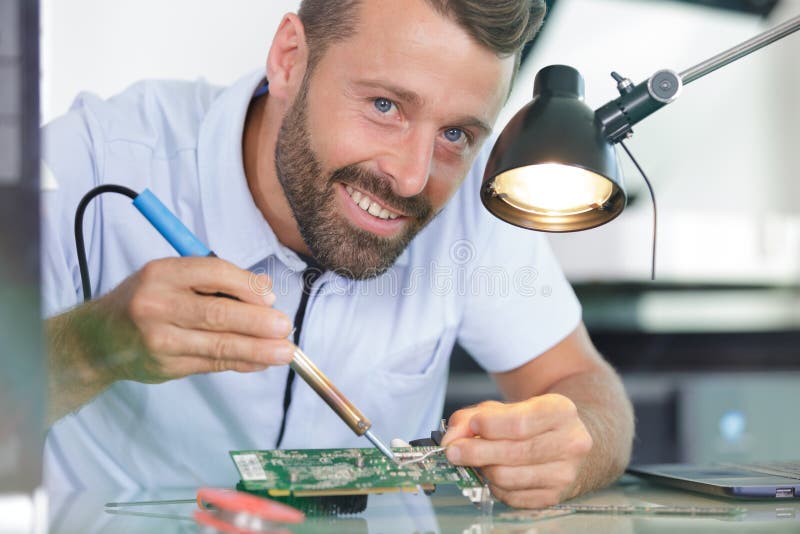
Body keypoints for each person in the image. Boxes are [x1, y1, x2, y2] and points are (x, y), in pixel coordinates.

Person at [42, 0, 634, 508]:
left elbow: (582, 382)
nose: (410, 178)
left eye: (456, 134)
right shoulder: (92, 158)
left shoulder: (476, 203)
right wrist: (95, 345)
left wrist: (568, 446)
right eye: (384, 106)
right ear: (289, 60)